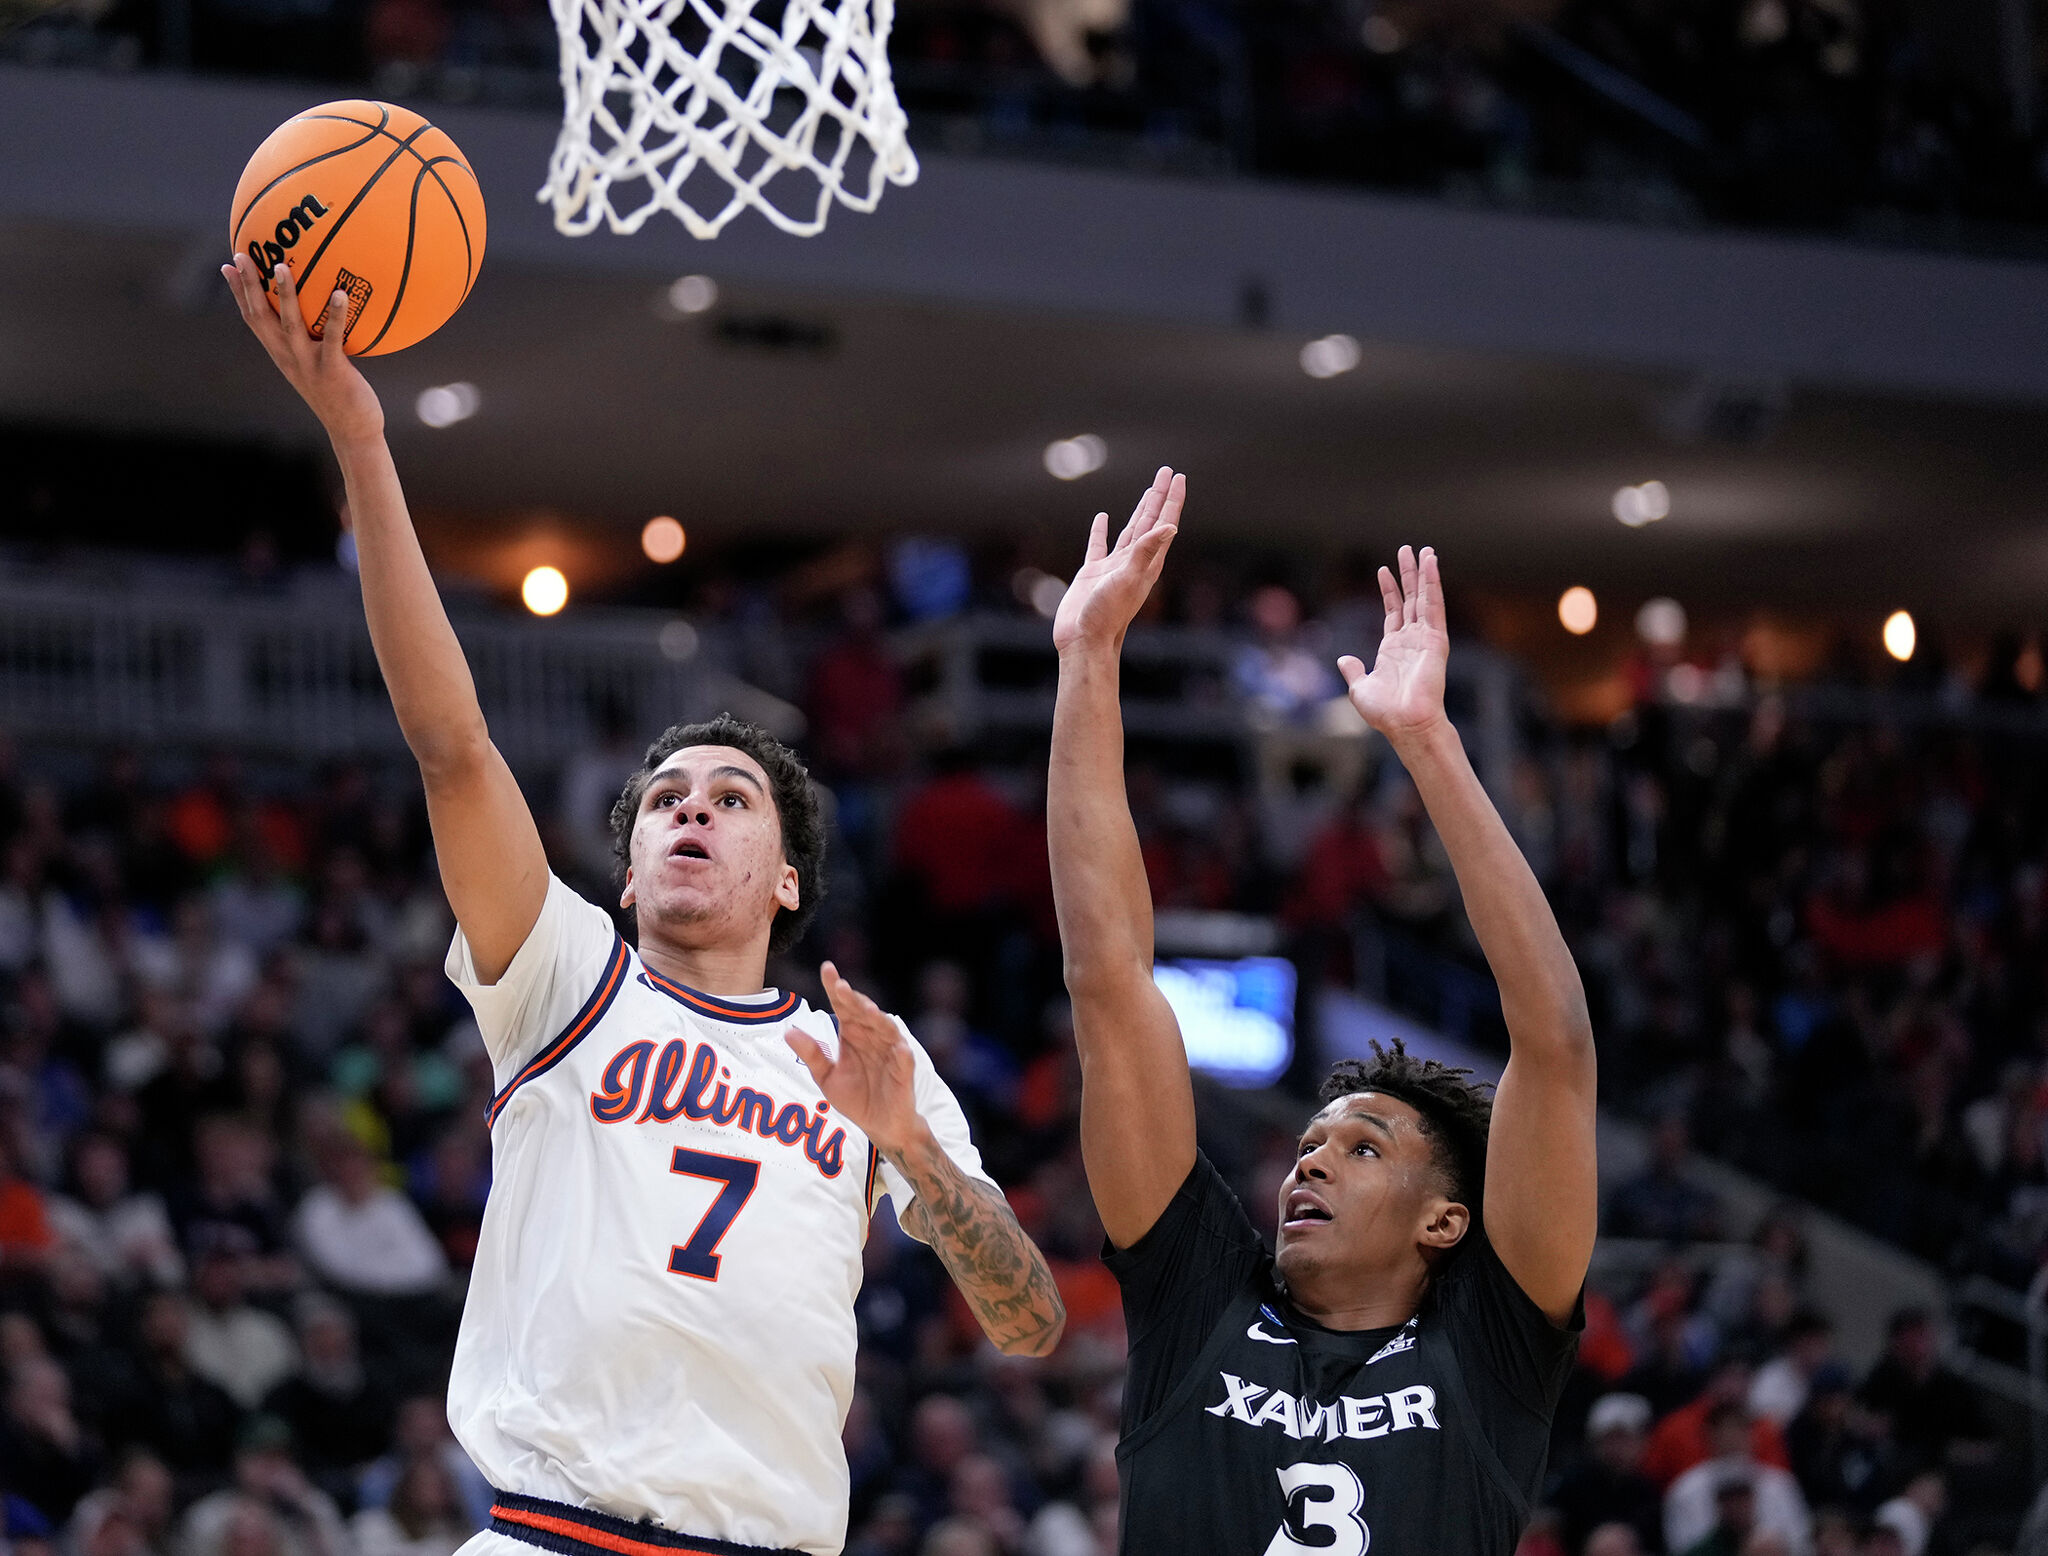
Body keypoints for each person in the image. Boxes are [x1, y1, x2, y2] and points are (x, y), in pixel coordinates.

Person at [222, 253, 1064, 1556]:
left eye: (733, 799)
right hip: (552, 1534)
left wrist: (912, 1151)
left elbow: (1026, 1321)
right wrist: (362, 442)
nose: (691, 809)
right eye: (667, 796)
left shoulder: (870, 1062)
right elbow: (453, 746)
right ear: (622, 876)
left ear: (786, 880)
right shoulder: (565, 975)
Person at [1045, 473, 1597, 1555]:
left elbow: (1554, 1042)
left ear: (1445, 1218)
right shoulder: (1198, 1297)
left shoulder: (1490, 1345)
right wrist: (1085, 658)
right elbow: (1109, 979)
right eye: (1310, 1143)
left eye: (1360, 1145)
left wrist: (1427, 742)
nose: (1309, 1162)